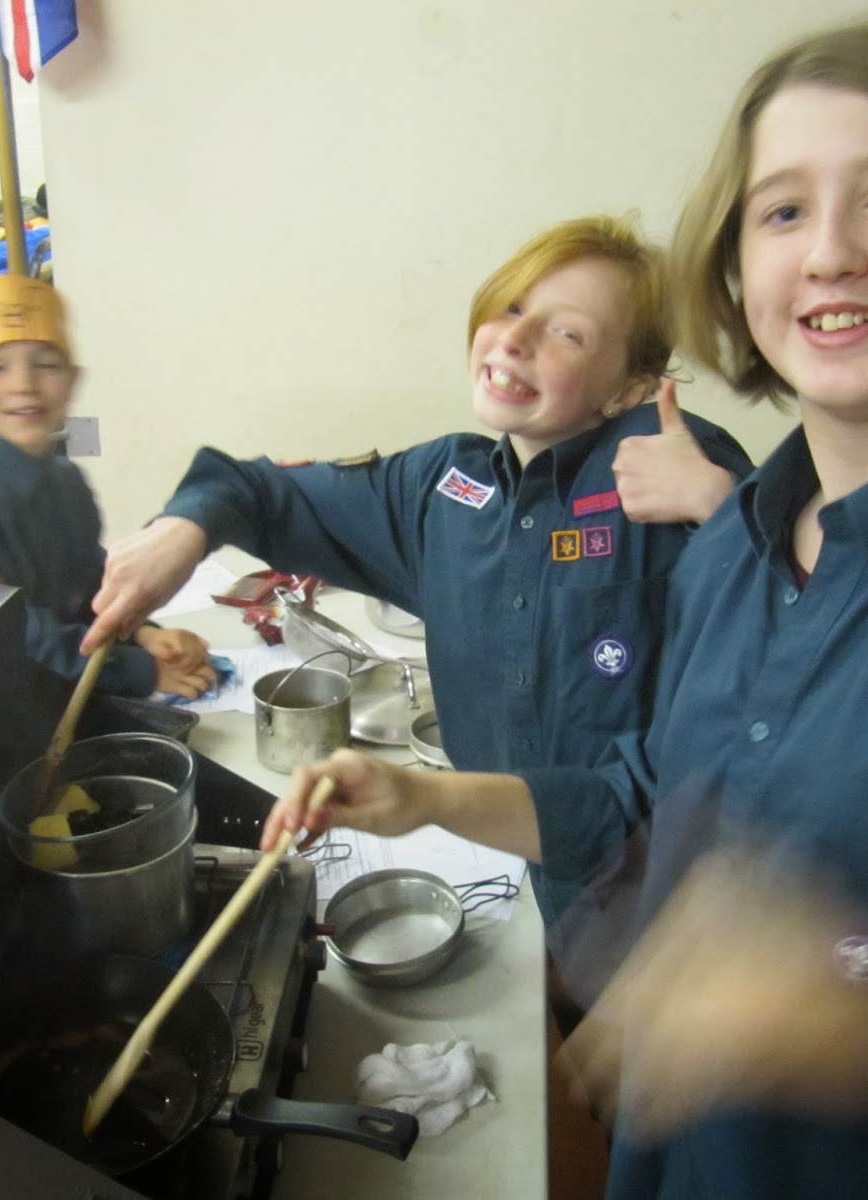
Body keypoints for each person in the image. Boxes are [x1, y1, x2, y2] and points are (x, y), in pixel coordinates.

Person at [258, 16, 868, 1200]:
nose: (827, 254)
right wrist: (432, 800)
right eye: (781, 211)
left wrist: (854, 1014)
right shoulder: (734, 545)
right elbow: (646, 795)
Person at [81, 214, 754, 916]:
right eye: (512, 307)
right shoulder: (446, 489)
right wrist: (182, 530)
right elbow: (258, 490)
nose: (514, 339)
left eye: (568, 333)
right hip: (511, 861)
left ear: (626, 389)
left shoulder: (671, 466)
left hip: (665, 894)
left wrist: (723, 507)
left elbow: (794, 630)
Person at [0, 272, 217, 701]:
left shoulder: (66, 482)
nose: (24, 385)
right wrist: (140, 671)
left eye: (46, 364)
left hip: (36, 690)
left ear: (73, 381)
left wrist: (142, 632)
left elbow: (89, 581)